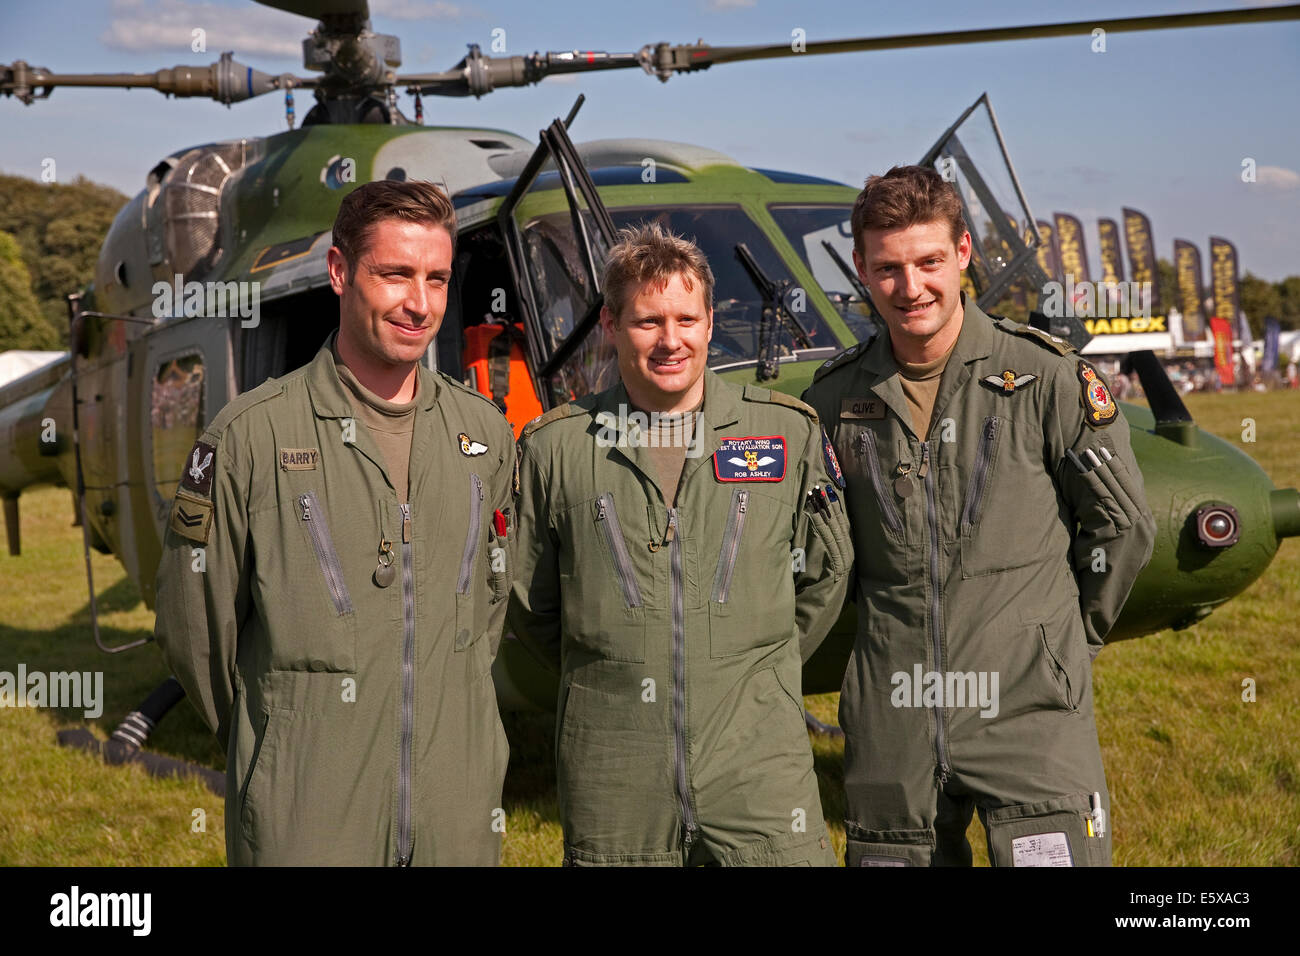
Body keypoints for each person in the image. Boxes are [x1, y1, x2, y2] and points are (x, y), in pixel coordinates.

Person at [153, 180, 516, 866]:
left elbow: (490, 608)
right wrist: (285, 737)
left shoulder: (484, 435)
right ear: (339, 271)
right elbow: (192, 629)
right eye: (395, 275)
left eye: (436, 279)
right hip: (307, 810)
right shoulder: (250, 436)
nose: (420, 303)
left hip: (458, 809)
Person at [802, 165, 1156, 867]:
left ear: (962, 252)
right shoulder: (836, 398)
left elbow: (1122, 526)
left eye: (929, 262)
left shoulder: (1044, 377)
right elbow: (817, 552)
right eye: (889, 269)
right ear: (863, 271)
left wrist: (1060, 646)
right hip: (892, 709)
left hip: (1027, 706)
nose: (911, 288)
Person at [508, 223, 852, 866]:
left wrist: (747, 663)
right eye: (647, 322)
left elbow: (827, 574)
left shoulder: (783, 432)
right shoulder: (556, 448)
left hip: (760, 770)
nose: (671, 340)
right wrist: (619, 661)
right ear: (609, 326)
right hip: (616, 777)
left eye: (686, 319)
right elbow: (530, 603)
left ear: (710, 321)